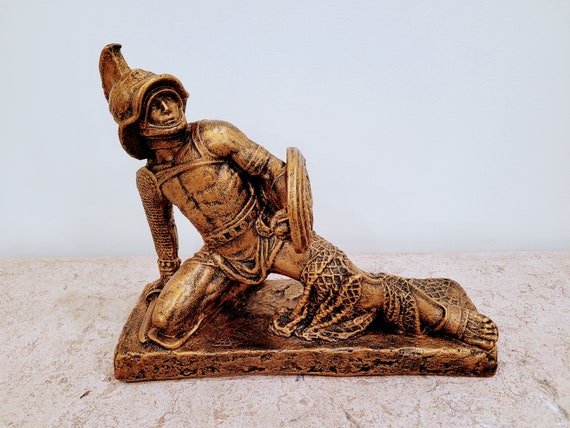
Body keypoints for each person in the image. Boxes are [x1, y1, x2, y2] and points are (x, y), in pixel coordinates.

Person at [100, 44, 498, 351]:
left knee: (352, 287)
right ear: (137, 126)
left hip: (268, 235)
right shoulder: (150, 179)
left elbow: (275, 171)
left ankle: (446, 319)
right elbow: (163, 233)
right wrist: (169, 278)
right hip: (219, 256)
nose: (168, 108)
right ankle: (236, 291)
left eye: (169, 96)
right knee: (164, 323)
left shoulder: (214, 135)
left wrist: (290, 215)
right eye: (154, 105)